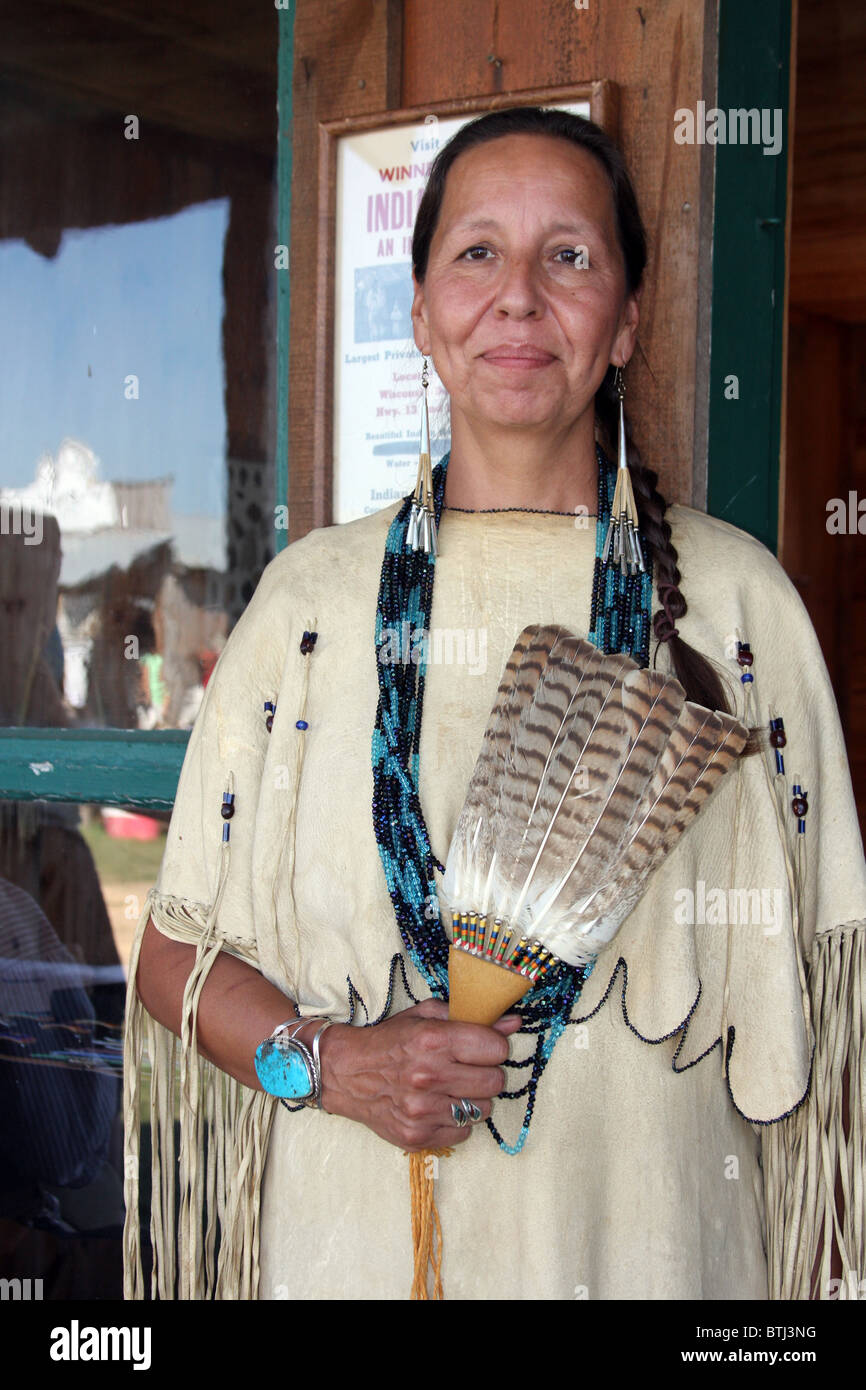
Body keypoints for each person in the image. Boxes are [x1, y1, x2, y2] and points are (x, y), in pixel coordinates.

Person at [124, 106, 866, 1301]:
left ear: (624, 322)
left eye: (567, 255)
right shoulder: (310, 605)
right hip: (350, 1260)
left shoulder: (736, 611)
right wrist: (329, 1063)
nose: (517, 295)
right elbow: (172, 956)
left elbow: (831, 1017)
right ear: (420, 314)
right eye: (476, 252)